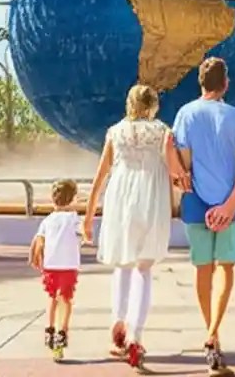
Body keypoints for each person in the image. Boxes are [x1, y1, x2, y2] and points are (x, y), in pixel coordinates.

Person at [172, 57, 235, 377]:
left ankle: (211, 332)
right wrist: (231, 203)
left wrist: (188, 186)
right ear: (225, 84)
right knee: (226, 268)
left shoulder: (185, 114)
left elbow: (183, 162)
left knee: (203, 269)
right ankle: (213, 332)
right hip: (230, 203)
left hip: (196, 203)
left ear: (200, 83)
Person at [83, 85, 181, 371]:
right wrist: (182, 192)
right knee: (144, 267)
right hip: (150, 197)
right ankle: (136, 336)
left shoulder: (115, 131)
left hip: (121, 196)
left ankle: (118, 321)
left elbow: (101, 174)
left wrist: (88, 215)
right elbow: (174, 169)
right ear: (153, 105)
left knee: (122, 264)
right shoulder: (163, 131)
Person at [30, 179, 84, 359]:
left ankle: (50, 328)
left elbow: (39, 240)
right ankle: (62, 331)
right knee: (66, 299)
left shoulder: (48, 219)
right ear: (73, 198)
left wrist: (36, 256)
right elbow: (84, 234)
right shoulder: (74, 218)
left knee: (53, 298)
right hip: (68, 265)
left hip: (51, 266)